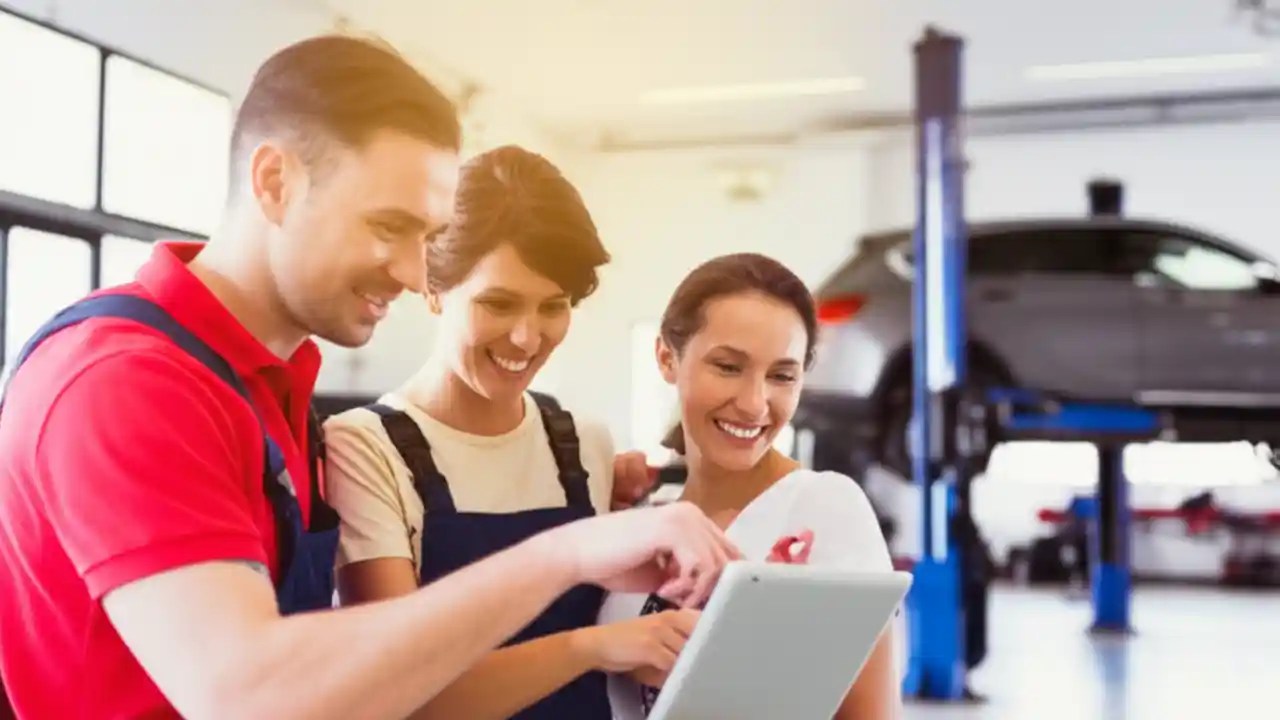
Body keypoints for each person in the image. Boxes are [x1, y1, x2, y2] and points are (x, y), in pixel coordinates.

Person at [0, 35, 736, 720]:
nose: (417, 274)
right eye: (389, 226)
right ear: (275, 182)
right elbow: (249, 698)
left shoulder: (266, 386)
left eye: (427, 235)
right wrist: (567, 553)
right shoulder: (126, 382)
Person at [321, 144, 699, 720]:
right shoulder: (365, 448)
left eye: (553, 306)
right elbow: (400, 693)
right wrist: (591, 649)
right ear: (431, 288)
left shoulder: (584, 445)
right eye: (498, 303)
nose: (527, 337)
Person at [598, 253, 904, 719]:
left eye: (782, 375)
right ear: (666, 357)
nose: (754, 404)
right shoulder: (638, 520)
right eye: (728, 366)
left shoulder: (823, 506)